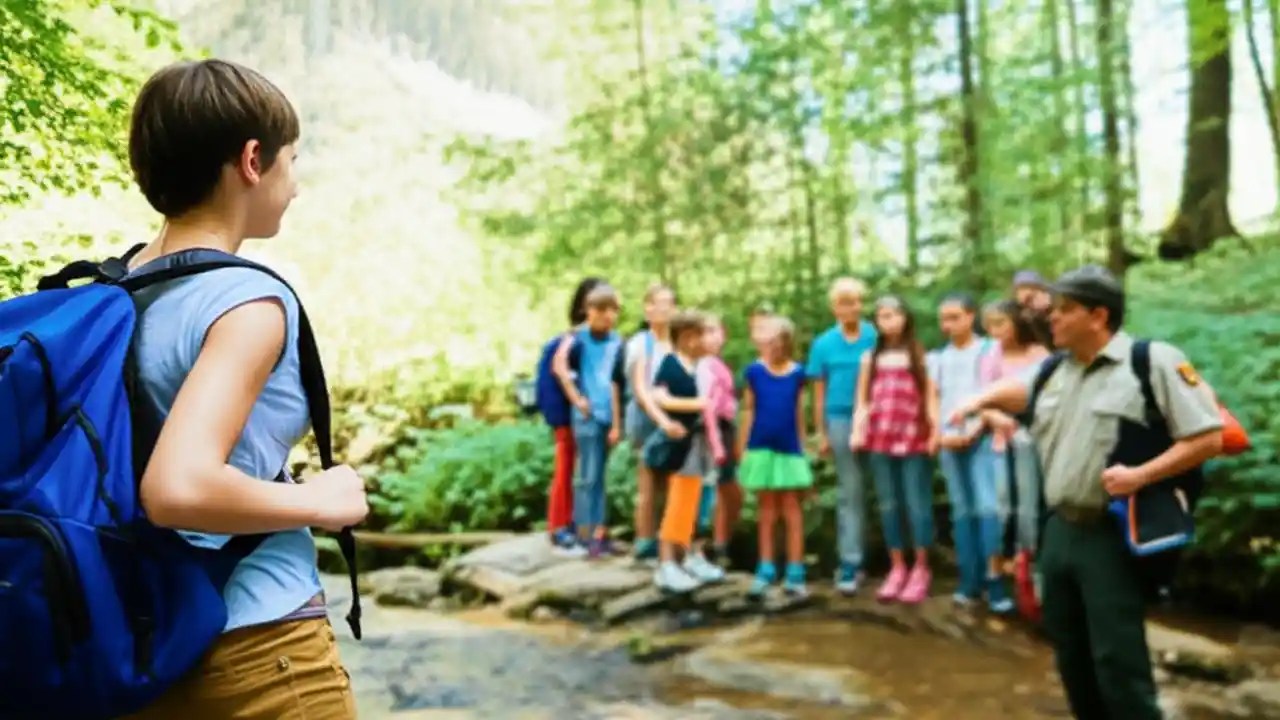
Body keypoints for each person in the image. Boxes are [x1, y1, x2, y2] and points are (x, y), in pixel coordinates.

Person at [121, 59, 367, 719]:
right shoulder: (246, 303)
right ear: (253, 160)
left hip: (136, 644)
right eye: (293, 158)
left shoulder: (114, 295)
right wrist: (320, 500)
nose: (297, 182)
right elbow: (179, 488)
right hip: (260, 649)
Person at [952, 265, 1224, 720]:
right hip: (1058, 531)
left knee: (1118, 663)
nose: (1051, 320)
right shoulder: (1056, 369)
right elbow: (1021, 393)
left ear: (1098, 315)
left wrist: (1142, 475)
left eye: (1064, 310)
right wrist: (979, 400)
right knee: (1071, 657)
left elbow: (1208, 438)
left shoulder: (1152, 361)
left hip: (1110, 534)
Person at [851, 296, 939, 604]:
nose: (886, 322)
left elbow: (930, 395)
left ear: (904, 317)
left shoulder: (918, 354)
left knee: (917, 504)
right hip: (880, 438)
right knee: (889, 505)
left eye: (891, 315)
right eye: (881, 317)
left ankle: (921, 568)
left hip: (913, 437)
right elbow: (862, 399)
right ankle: (897, 567)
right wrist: (857, 430)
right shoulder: (870, 357)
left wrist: (935, 430)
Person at [931, 293, 1007, 611]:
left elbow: (996, 392)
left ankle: (996, 581)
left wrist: (976, 428)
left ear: (971, 316)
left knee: (989, 507)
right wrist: (939, 433)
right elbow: (933, 398)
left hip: (984, 437)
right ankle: (969, 580)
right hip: (949, 441)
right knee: (962, 510)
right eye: (944, 319)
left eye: (955, 317)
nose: (948, 324)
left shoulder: (990, 350)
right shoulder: (937, 358)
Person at [977, 299, 1050, 616]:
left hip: (1036, 442)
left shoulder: (1039, 355)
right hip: (1001, 442)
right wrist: (996, 417)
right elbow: (981, 399)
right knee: (1002, 509)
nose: (995, 332)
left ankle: (1037, 582)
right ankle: (997, 577)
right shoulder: (991, 355)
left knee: (1034, 511)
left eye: (1001, 324)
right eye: (990, 326)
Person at [807, 277, 877, 595]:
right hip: (839, 419)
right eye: (844, 302)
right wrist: (821, 432)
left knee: (885, 490)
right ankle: (850, 562)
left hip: (878, 418)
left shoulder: (875, 336)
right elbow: (818, 392)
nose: (851, 308)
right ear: (834, 307)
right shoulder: (823, 344)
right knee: (850, 490)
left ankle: (898, 563)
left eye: (856, 301)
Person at [650, 311, 727, 591]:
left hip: (705, 445)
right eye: (698, 334)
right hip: (682, 448)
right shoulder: (671, 364)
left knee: (702, 503)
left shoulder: (706, 365)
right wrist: (697, 405)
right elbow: (659, 396)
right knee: (679, 503)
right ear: (685, 338)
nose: (704, 339)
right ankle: (666, 563)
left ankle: (693, 555)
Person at [738, 316, 814, 598]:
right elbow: (748, 410)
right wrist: (743, 448)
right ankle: (766, 568)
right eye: (768, 341)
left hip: (789, 449)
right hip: (761, 447)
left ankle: (795, 571)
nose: (773, 346)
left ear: (787, 342)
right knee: (767, 511)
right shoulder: (754, 373)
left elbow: (798, 413)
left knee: (792, 512)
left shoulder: (797, 373)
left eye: (778, 341)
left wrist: (804, 447)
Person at [552, 284, 626, 558]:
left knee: (600, 477)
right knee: (588, 476)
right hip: (587, 415)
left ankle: (599, 533)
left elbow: (619, 383)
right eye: (602, 310)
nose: (608, 316)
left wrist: (618, 424)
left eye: (613, 310)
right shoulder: (578, 337)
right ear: (589, 311)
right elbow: (559, 365)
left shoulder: (618, 341)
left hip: (609, 414)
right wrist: (576, 398)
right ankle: (584, 533)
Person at [539, 277, 605, 552]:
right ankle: (558, 526)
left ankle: (583, 526)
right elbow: (560, 372)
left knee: (587, 469)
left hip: (586, 413)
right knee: (566, 465)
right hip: (565, 412)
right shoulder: (572, 339)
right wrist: (576, 403)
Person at [625, 283, 677, 562]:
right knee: (648, 482)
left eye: (669, 303)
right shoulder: (639, 344)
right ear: (647, 309)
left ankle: (667, 540)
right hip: (646, 419)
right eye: (658, 303)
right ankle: (645, 540)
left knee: (671, 483)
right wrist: (661, 418)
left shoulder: (677, 343)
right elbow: (640, 388)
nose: (664, 309)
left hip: (673, 417)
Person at [698, 314, 742, 566]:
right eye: (707, 332)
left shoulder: (718, 364)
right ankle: (711, 545)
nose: (713, 337)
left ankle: (721, 543)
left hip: (726, 429)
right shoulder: (704, 366)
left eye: (716, 331)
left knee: (728, 490)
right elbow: (707, 408)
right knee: (714, 490)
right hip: (712, 432)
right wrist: (715, 444)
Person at [1013, 269, 1054, 349]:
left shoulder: (1053, 305)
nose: (1027, 292)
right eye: (1021, 289)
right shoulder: (1017, 312)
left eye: (1032, 288)